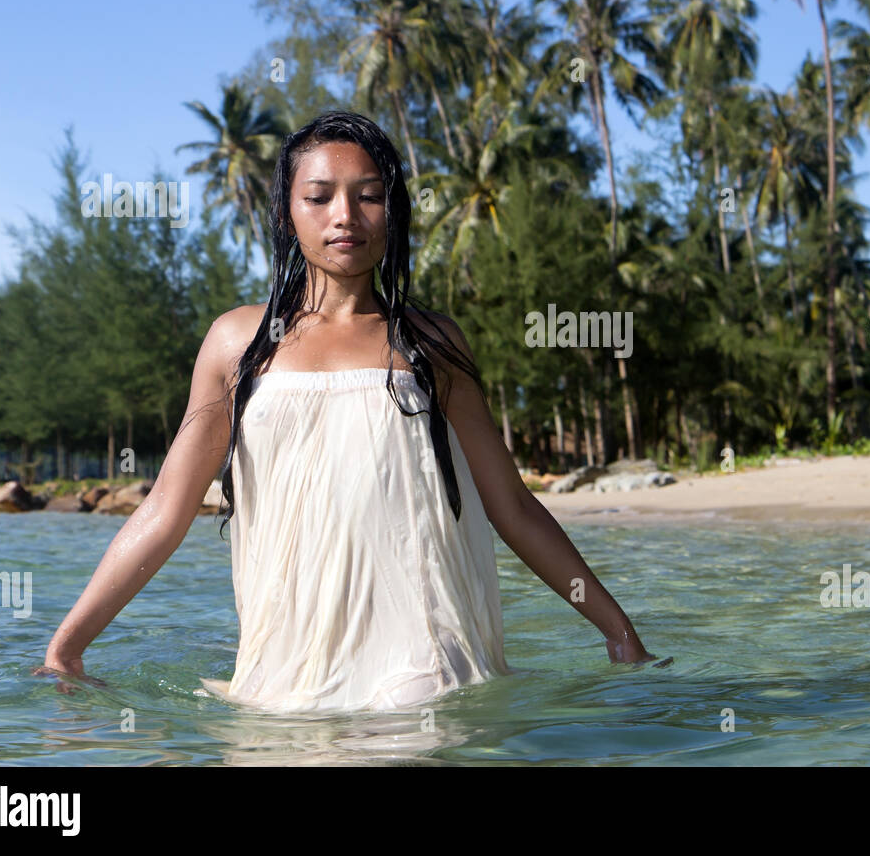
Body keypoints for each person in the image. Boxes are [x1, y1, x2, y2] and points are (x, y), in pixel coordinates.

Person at [38, 110, 663, 713]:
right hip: (286, 676)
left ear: (392, 211)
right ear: (288, 211)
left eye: (368, 195)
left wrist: (617, 632)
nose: (345, 216)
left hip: (429, 668)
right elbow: (166, 509)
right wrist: (68, 646)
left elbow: (512, 506)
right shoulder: (239, 343)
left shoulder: (431, 344)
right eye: (319, 196)